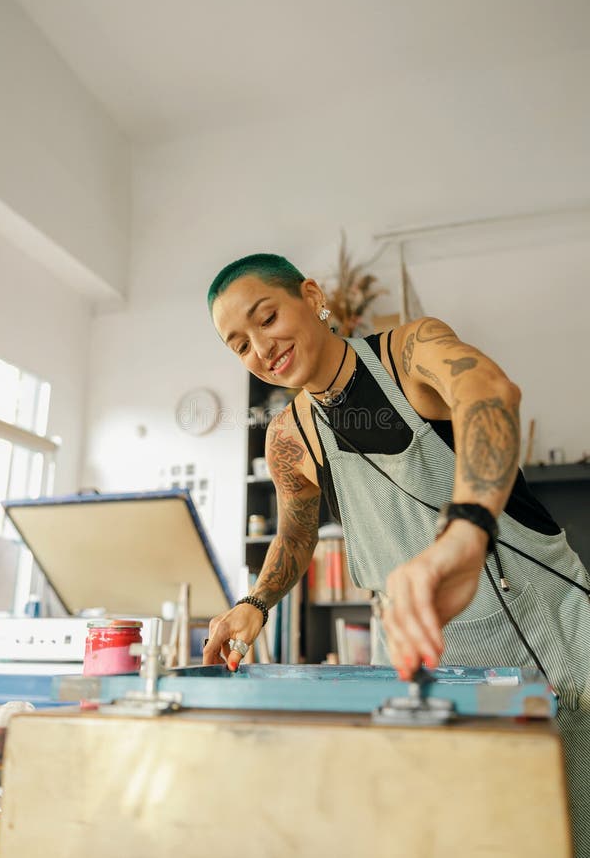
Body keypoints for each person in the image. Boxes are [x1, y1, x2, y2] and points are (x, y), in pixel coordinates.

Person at [203, 252, 590, 855]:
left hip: (547, 630)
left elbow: (488, 391)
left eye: (267, 316)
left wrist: (465, 530)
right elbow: (296, 536)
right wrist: (256, 601)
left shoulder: (410, 350)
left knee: (568, 821)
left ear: (311, 296)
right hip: (428, 658)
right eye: (239, 344)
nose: (260, 347)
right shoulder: (287, 437)